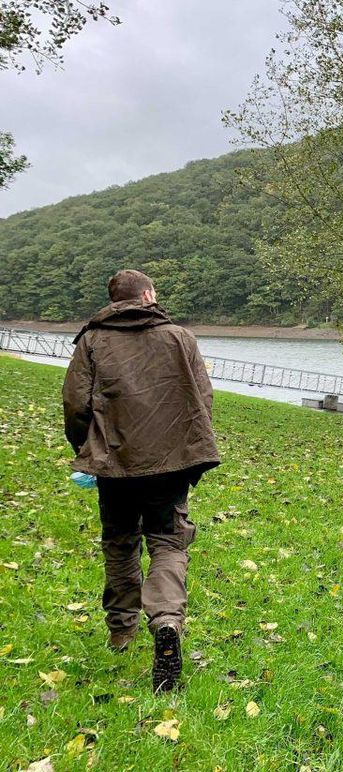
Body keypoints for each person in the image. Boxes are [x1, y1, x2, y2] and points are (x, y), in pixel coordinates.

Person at [63, 269, 220, 693]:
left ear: (114, 301)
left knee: (119, 540)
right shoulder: (180, 338)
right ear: (148, 295)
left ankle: (121, 631)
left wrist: (88, 447)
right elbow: (203, 398)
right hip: (170, 463)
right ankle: (167, 619)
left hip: (114, 463)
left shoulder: (91, 340)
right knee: (168, 541)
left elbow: (76, 405)